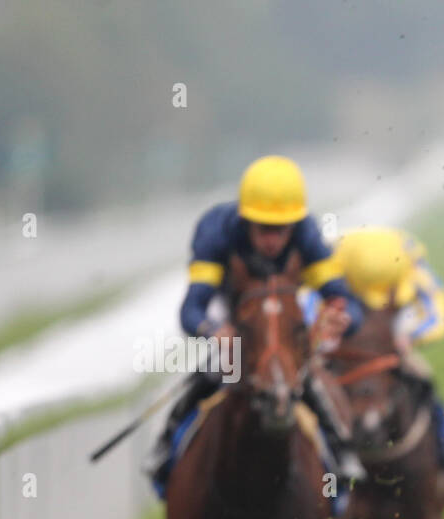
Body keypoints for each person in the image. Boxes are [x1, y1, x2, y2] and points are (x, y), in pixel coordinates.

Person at [144, 155, 366, 488]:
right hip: (232, 315)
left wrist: (341, 318)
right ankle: (167, 444)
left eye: (282, 229)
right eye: (264, 228)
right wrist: (213, 330)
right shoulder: (216, 232)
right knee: (218, 369)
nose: (273, 239)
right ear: (247, 219)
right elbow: (191, 309)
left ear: (295, 223)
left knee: (304, 376)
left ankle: (340, 449)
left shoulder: (307, 234)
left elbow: (346, 302)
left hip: (283, 314)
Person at [330, 227, 444, 469]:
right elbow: (307, 301)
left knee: (422, 375)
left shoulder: (411, 264)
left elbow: (438, 313)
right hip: (350, 340)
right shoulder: (336, 263)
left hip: (395, 331)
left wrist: (410, 337)